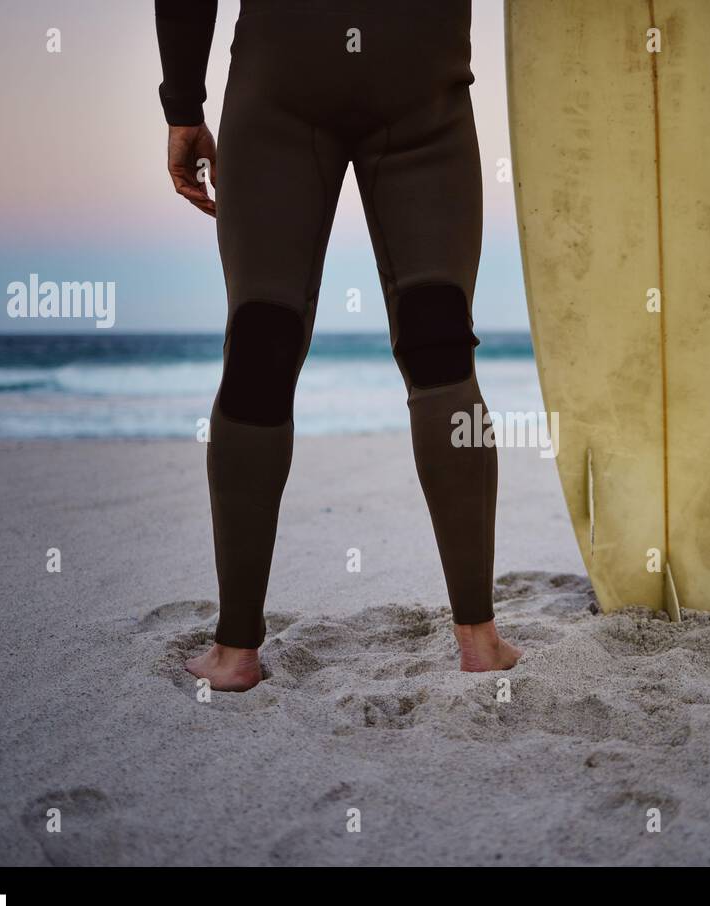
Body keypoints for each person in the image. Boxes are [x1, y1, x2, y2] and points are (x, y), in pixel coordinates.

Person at [155, 0, 521, 690]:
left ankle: (236, 651)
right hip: (423, 65)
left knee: (262, 339)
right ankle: (479, 637)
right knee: (439, 340)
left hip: (283, 64)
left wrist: (183, 105)